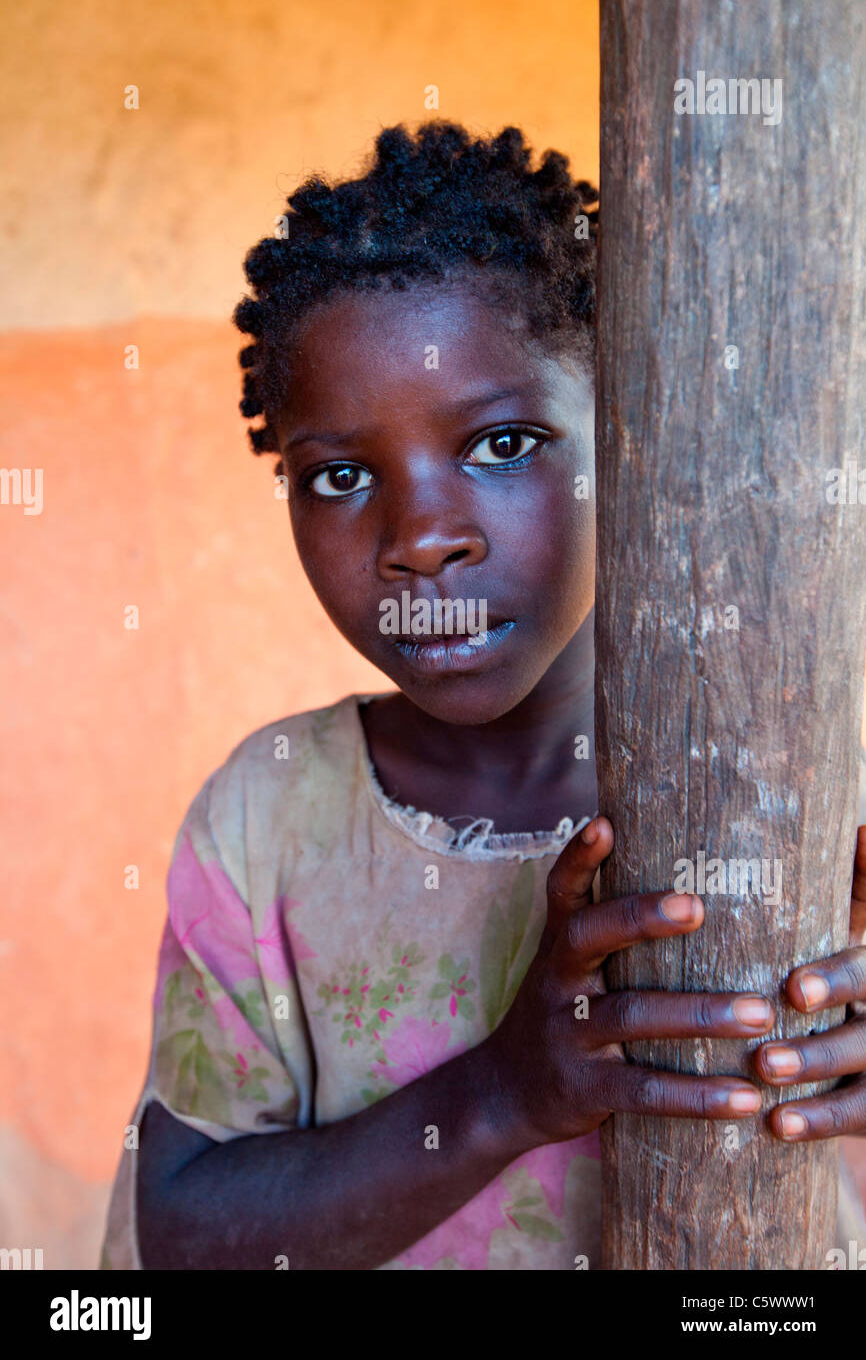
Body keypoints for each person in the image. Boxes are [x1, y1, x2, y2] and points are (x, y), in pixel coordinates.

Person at [100, 121, 866, 1270]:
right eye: (340, 476)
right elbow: (184, 1235)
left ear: (629, 433)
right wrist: (506, 1095)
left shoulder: (822, 778)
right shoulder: (265, 821)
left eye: (503, 443)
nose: (421, 540)